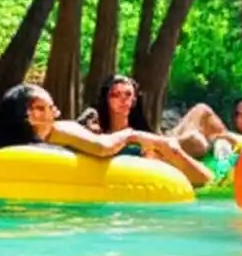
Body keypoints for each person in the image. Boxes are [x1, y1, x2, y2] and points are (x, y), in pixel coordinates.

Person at [0, 83, 171, 159]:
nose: (57, 113)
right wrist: (131, 134)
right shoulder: (59, 132)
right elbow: (103, 147)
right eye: (50, 108)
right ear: (32, 115)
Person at [84, 75, 214, 186]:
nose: (123, 99)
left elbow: (204, 178)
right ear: (107, 99)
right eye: (115, 95)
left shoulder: (146, 140)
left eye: (128, 94)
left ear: (134, 101)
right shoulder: (99, 135)